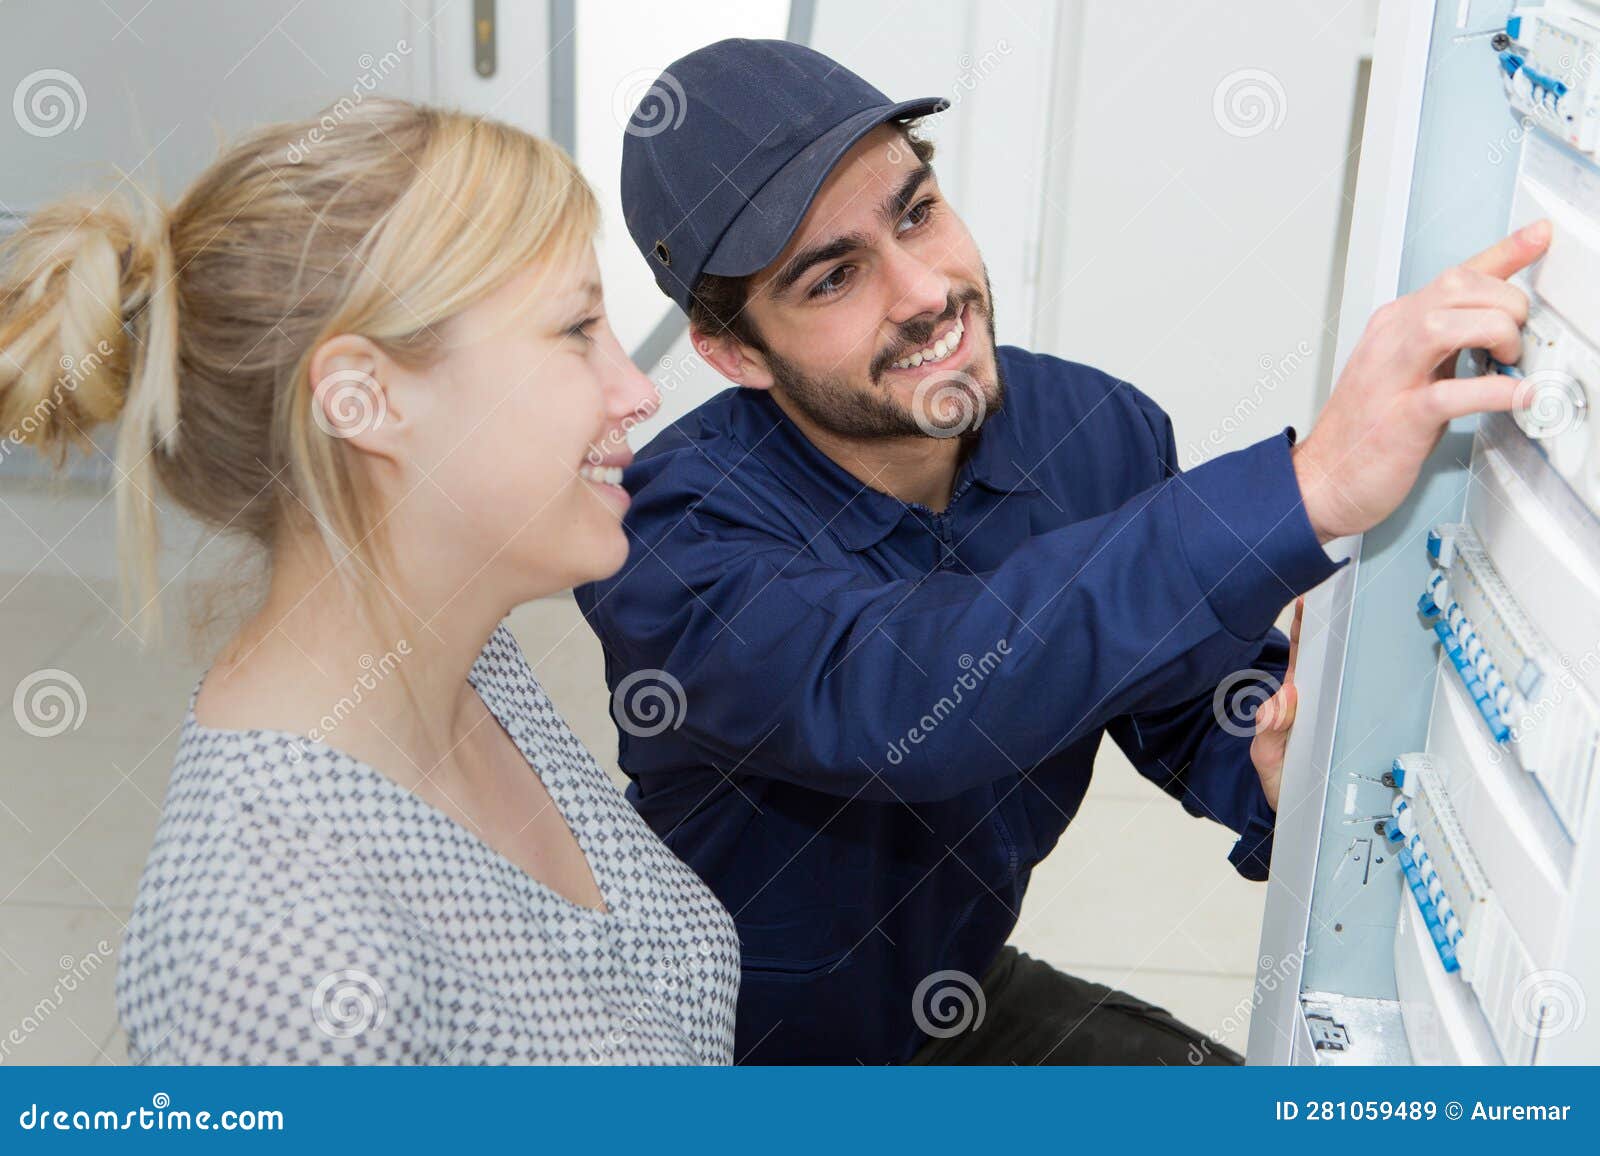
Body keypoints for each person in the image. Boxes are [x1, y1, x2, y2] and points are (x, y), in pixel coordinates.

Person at [575, 38, 1549, 1064]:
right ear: (735, 352)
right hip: (729, 1054)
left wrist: (1269, 756)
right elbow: (904, 696)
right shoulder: (671, 536)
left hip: (955, 1001)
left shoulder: (1092, 431)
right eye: (832, 279)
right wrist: (1303, 489)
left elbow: (1185, 694)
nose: (924, 292)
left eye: (916, 213)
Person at [0, 98, 739, 1064]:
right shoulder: (274, 963)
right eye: (575, 329)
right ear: (365, 398)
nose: (637, 390)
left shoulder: (465, 656)